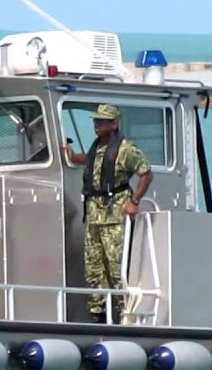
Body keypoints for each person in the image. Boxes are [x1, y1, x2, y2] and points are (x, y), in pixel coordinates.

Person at [65, 104, 153, 323]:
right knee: (94, 266)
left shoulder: (126, 150)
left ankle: (125, 313)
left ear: (114, 124)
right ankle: (97, 314)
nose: (97, 125)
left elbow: (146, 173)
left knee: (116, 267)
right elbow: (92, 161)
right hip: (95, 216)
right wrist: (71, 155)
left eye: (102, 121)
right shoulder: (97, 147)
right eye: (96, 121)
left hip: (115, 216)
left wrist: (134, 201)